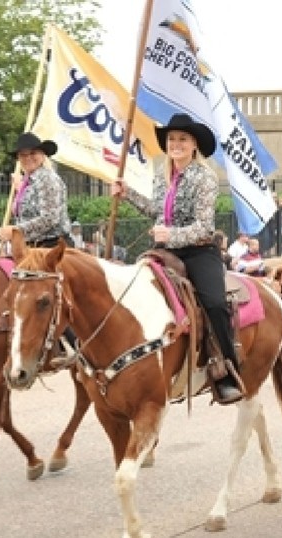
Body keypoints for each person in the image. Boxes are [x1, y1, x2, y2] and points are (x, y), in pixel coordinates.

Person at [108, 113, 244, 405]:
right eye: (172, 139)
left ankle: (227, 369)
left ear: (194, 144)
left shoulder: (204, 176)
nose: (176, 144)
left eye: (182, 139)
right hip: (164, 251)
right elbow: (156, 211)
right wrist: (126, 193)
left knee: (215, 303)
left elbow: (203, 227)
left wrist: (170, 235)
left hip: (198, 251)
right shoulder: (162, 174)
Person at [0, 132, 72, 249]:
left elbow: (50, 218)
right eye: (23, 155)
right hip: (30, 246)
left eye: (33, 153)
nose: (28, 158)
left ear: (42, 155)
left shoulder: (47, 179)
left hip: (51, 248)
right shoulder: (28, 182)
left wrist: (15, 230)